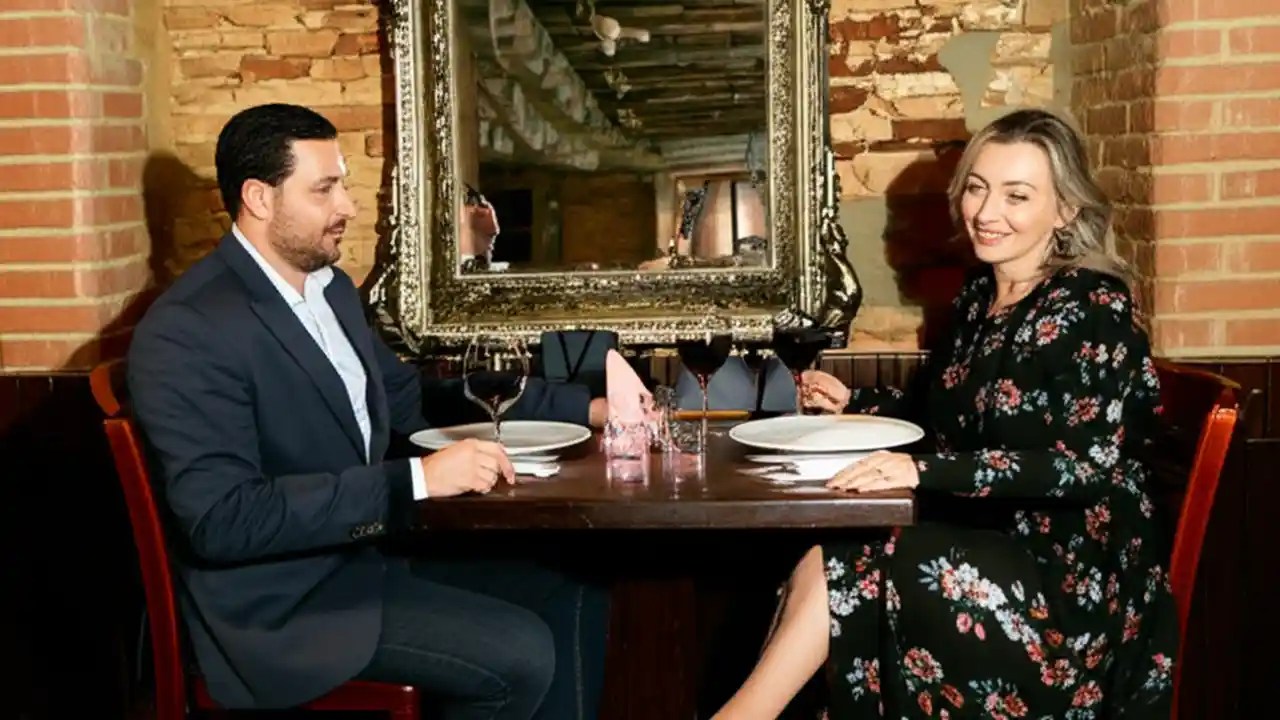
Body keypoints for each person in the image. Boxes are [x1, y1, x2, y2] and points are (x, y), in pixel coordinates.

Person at [126, 103, 608, 719]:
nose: (348, 206)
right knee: (523, 655)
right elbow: (225, 519)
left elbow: (410, 398)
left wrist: (584, 406)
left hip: (365, 565)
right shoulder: (188, 329)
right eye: (324, 188)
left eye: (343, 183)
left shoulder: (328, 289)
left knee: (575, 589)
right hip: (281, 613)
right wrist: (413, 481)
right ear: (259, 198)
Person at [713, 109, 1178, 718]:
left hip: (1071, 598)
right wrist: (856, 406)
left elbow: (1086, 467)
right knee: (832, 555)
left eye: (1017, 195)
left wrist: (922, 473)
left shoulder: (1091, 306)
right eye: (979, 188)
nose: (987, 213)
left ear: (1065, 210)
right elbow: (950, 417)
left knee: (855, 566)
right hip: (993, 548)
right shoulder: (982, 295)